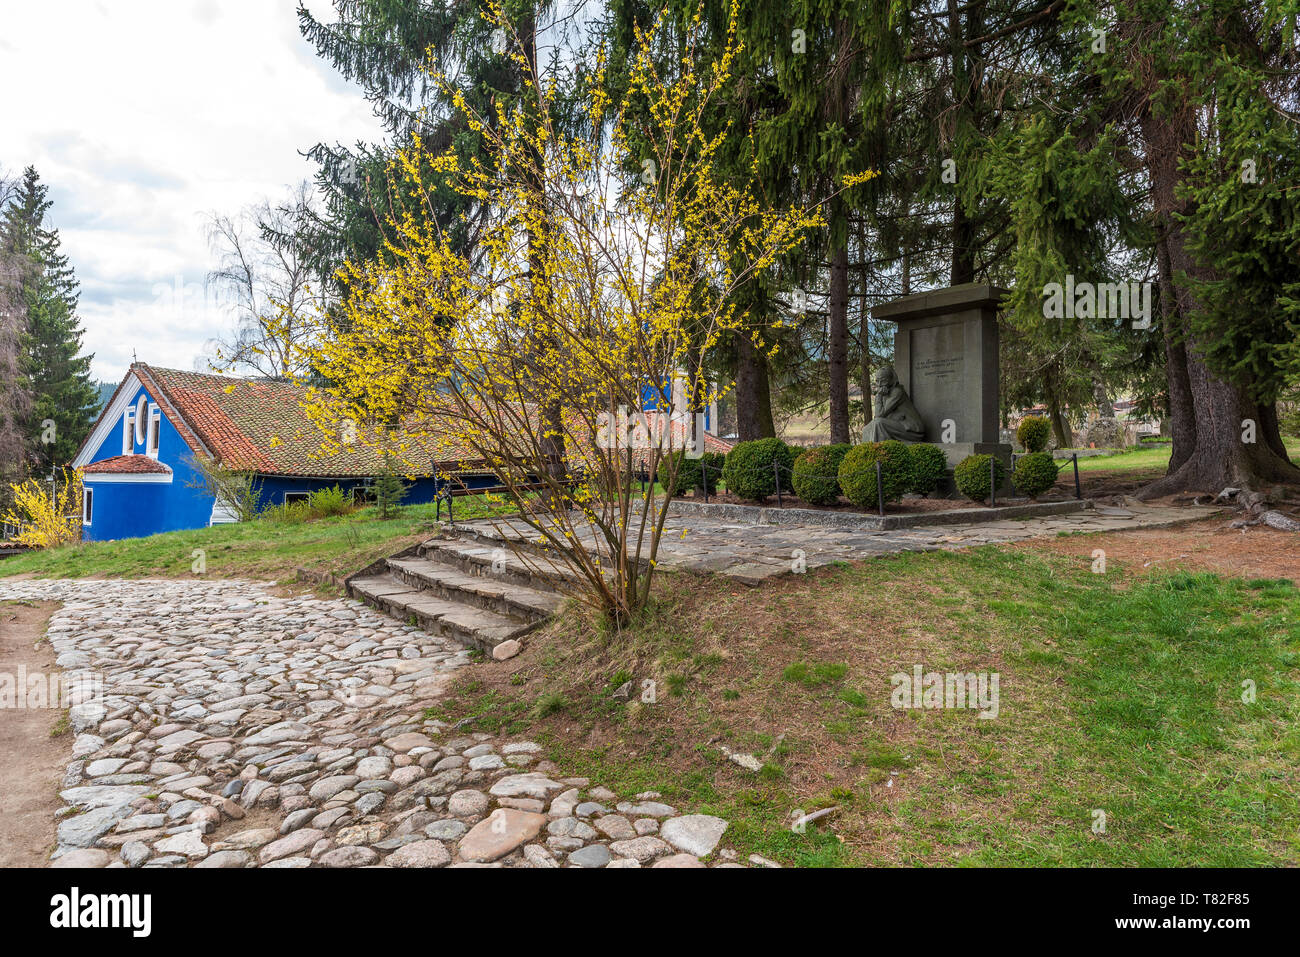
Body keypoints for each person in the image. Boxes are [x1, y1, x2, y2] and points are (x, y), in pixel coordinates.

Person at [863, 364, 926, 442]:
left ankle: (879, 451)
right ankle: (867, 452)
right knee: (866, 429)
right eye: (877, 381)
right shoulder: (885, 392)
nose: (879, 384)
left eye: (883, 381)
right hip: (898, 426)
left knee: (878, 423)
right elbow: (878, 416)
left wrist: (879, 396)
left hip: (912, 431)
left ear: (891, 380)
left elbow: (879, 415)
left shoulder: (897, 392)